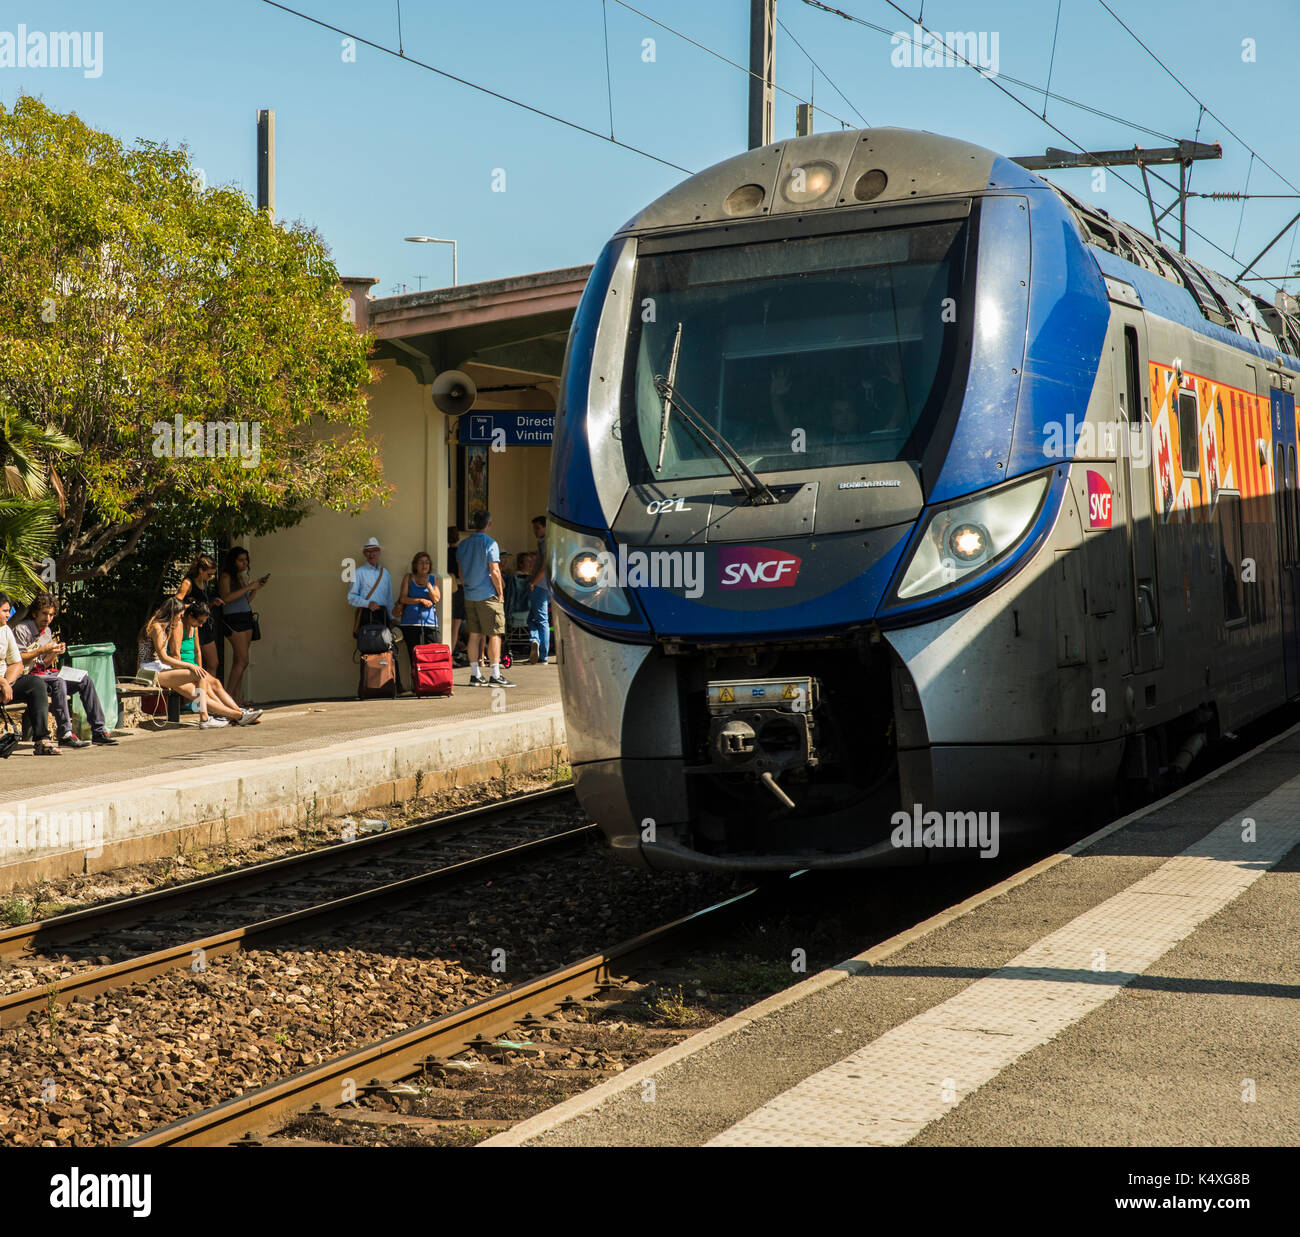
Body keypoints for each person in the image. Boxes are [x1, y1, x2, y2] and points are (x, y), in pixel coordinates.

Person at [10, 591, 118, 748]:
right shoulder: (22, 629)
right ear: (34, 613)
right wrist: (42, 650)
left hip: (42, 674)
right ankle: (65, 734)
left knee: (84, 680)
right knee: (57, 680)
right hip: (26, 677)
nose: (47, 619)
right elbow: (18, 659)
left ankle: (99, 731)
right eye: (44, 614)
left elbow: (43, 664)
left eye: (51, 615)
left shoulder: (47, 631)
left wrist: (54, 653)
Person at [137, 597, 246, 728]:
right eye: (180, 615)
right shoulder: (156, 627)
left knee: (198, 695)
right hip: (149, 671)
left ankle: (237, 716)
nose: (180, 618)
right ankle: (206, 718)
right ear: (173, 613)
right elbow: (163, 657)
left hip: (160, 668)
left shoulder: (164, 627)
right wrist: (190, 665)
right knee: (198, 674)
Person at [176, 602, 261, 725]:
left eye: (203, 622)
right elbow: (174, 653)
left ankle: (237, 711)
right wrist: (189, 670)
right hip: (184, 667)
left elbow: (197, 651)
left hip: (193, 668)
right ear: (189, 616)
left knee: (215, 683)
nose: (200, 625)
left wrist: (200, 669)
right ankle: (236, 715)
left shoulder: (194, 627)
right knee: (208, 691)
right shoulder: (179, 627)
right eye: (199, 621)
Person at [456, 510, 514, 688]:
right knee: (494, 634)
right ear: (489, 524)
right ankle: (495, 673)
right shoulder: (490, 543)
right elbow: (495, 571)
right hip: (487, 595)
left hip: (470, 594)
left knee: (474, 634)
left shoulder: (463, 545)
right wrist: (500, 592)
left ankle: (475, 674)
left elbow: (461, 573)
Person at [0, 592, 60, 755]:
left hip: (6, 683)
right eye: (5, 611)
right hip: (1, 683)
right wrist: (3, 683)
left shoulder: (5, 631)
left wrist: (9, 683)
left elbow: (17, 662)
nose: (8, 615)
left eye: (9, 611)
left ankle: (42, 740)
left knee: (36, 684)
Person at [347, 535, 403, 691]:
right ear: (365, 554)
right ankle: (368, 687)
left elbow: (389, 597)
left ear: (379, 552)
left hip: (383, 615)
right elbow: (351, 597)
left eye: (374, 551)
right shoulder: (358, 572)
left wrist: (392, 619)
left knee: (389, 649)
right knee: (367, 651)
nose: (371, 554)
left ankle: (393, 685)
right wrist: (367, 603)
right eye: (368, 551)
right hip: (367, 615)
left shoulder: (385, 573)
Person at [218, 546, 266, 706]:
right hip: (233, 620)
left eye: (246, 560)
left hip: (246, 617)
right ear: (233, 561)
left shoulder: (240, 577)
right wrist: (248, 587)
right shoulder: (226, 576)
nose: (245, 563)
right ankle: (227, 699)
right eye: (241, 560)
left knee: (239, 660)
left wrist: (256, 589)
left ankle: (236, 699)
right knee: (243, 660)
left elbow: (244, 601)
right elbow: (226, 598)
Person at [396, 551, 441, 681]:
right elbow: (403, 598)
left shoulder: (433, 579)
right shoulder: (409, 578)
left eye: (427, 562)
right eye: (421, 562)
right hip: (411, 622)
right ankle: (417, 684)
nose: (424, 565)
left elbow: (436, 599)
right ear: (415, 565)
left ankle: (433, 682)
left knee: (432, 655)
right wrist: (420, 600)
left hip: (430, 623)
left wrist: (429, 588)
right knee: (414, 656)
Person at [176, 553, 222, 677]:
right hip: (193, 626)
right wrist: (190, 607)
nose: (211, 577)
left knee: (213, 663)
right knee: (195, 661)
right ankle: (197, 692)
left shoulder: (204, 582)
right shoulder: (188, 583)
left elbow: (202, 606)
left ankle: (207, 689)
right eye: (209, 574)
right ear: (201, 570)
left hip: (205, 625)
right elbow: (176, 603)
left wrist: (211, 603)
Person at [527, 514, 551, 665]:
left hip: (540, 585)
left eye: (538, 528)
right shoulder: (549, 542)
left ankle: (543, 655)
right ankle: (535, 641)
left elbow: (543, 566)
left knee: (541, 620)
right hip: (548, 585)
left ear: (545, 527)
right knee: (533, 618)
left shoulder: (545, 543)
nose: (535, 531)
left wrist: (532, 583)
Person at [447, 525, 467, 666]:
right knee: (455, 625)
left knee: (449, 625)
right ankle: (450, 656)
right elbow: (462, 572)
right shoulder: (461, 552)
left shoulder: (445, 552)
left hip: (447, 587)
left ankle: (450, 653)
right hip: (459, 588)